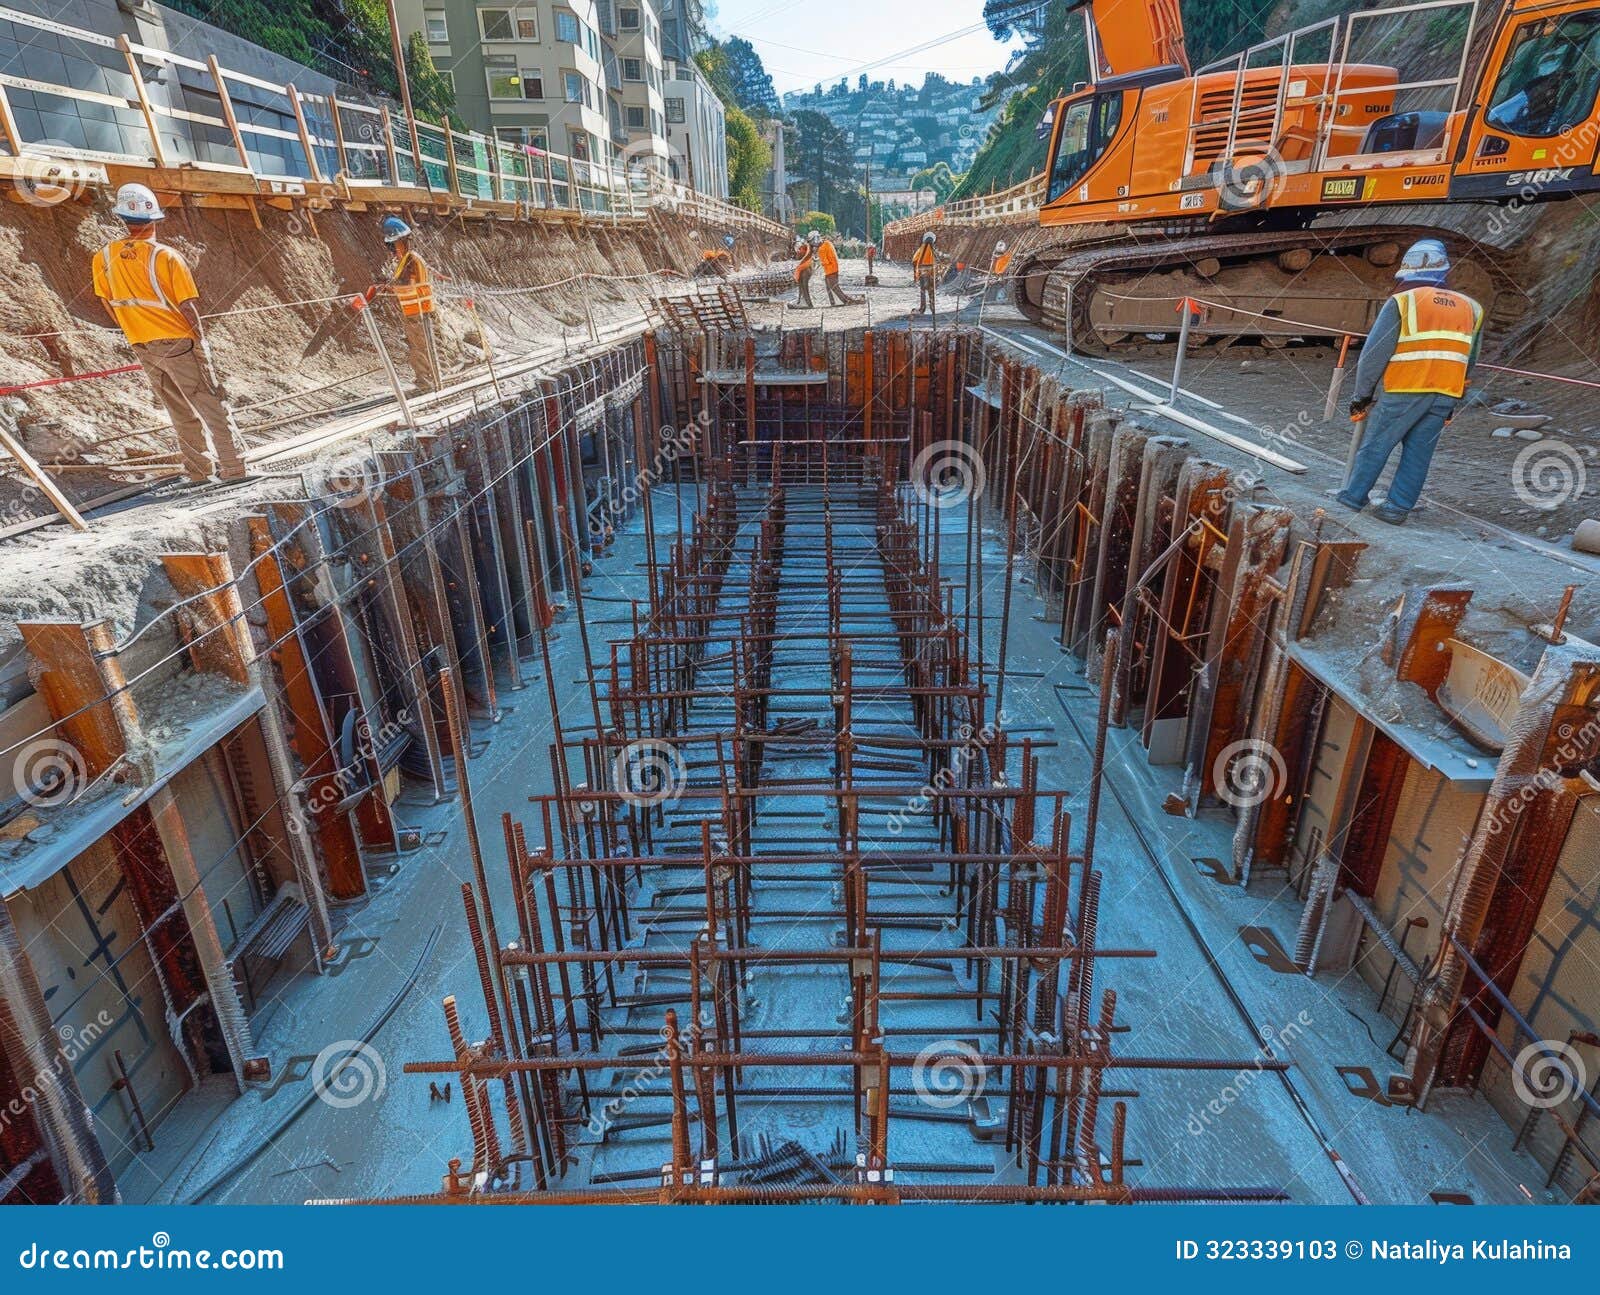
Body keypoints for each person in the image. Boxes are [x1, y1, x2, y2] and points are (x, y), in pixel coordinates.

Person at [92, 183, 246, 484]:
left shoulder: (103, 257)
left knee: (177, 409)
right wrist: (199, 344)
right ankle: (234, 468)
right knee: (209, 402)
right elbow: (188, 308)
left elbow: (108, 302)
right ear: (154, 219)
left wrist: (133, 330)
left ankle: (199, 473)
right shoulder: (167, 256)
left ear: (122, 218)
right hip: (177, 342)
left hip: (141, 343)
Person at [1335, 239, 1483, 525]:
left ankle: (1352, 497)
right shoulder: (1471, 308)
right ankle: (1396, 508)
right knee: (1418, 453)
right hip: (1445, 394)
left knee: (1376, 444)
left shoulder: (1402, 302)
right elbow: (1470, 359)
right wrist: (1455, 399)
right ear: (1444, 273)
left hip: (1405, 388)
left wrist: (1361, 397)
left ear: (1407, 273)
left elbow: (1374, 354)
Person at [358, 216, 440, 392]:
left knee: (419, 348)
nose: (392, 251)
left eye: (393, 245)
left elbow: (410, 287)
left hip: (416, 312)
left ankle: (426, 382)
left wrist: (386, 290)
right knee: (420, 346)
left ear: (400, 242)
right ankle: (430, 380)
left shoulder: (411, 260)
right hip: (416, 310)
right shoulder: (409, 259)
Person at [817, 235, 857, 306]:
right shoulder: (827, 243)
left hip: (829, 271)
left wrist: (818, 261)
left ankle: (846, 301)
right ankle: (833, 302)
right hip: (835, 268)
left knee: (834, 288)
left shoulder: (821, 249)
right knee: (829, 287)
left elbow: (825, 262)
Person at [912, 231, 942, 316]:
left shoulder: (921, 248)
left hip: (922, 272)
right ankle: (933, 308)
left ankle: (923, 308)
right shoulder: (933, 249)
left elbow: (914, 259)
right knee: (931, 290)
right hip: (932, 272)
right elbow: (938, 259)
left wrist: (915, 271)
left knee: (923, 290)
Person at [792, 236, 815, 309]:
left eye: (800, 249)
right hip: (806, 268)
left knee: (804, 287)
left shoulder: (808, 249)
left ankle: (809, 304)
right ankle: (800, 301)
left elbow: (804, 256)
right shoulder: (807, 248)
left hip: (806, 269)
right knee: (801, 286)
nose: (798, 251)